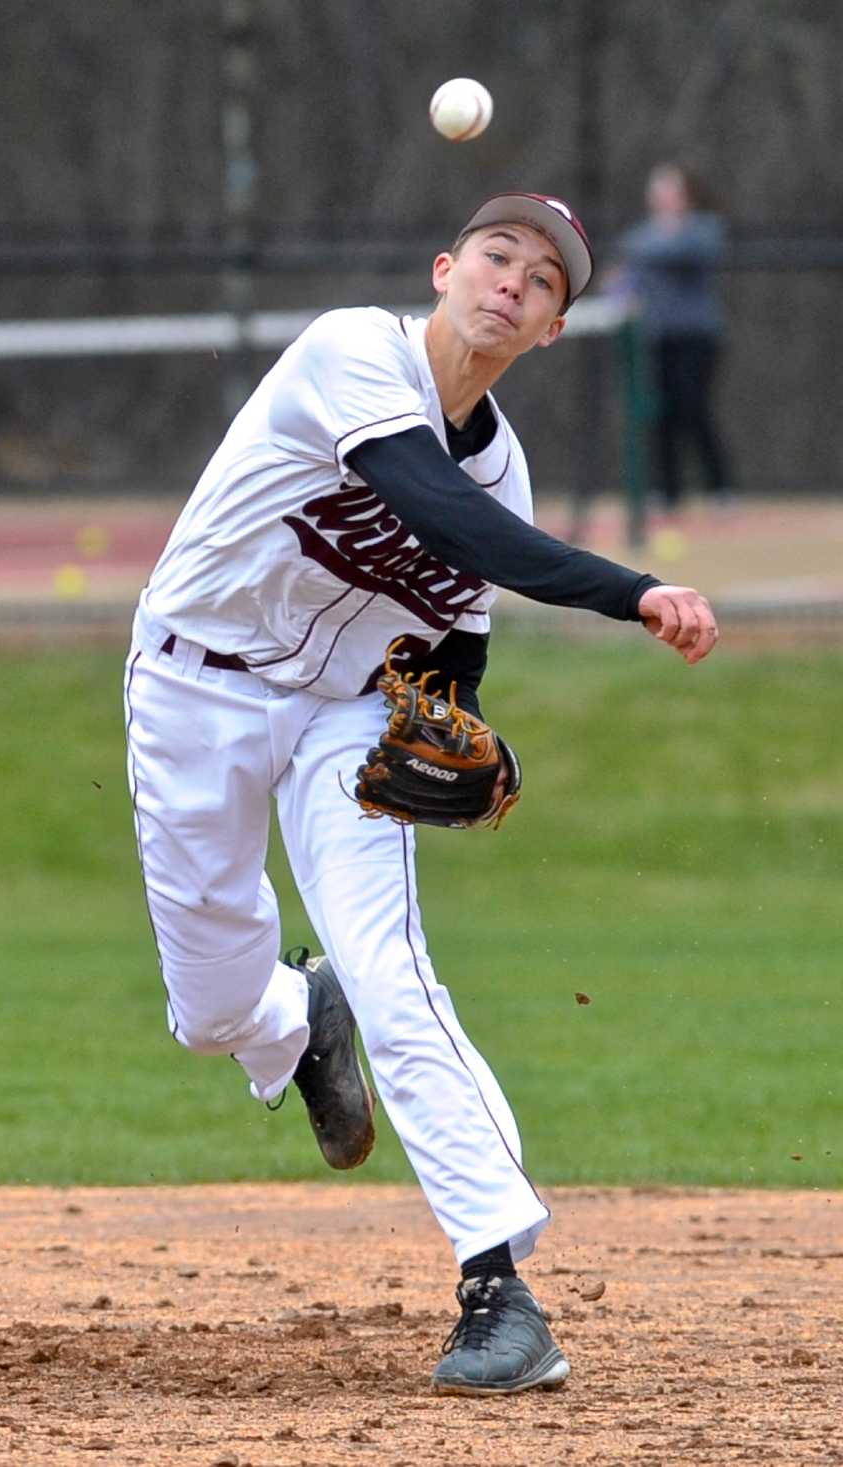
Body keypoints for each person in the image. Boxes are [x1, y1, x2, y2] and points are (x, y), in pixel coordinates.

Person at [123, 193, 718, 1395]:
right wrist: (629, 591)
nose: (512, 283)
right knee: (209, 1010)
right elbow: (442, 514)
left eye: (541, 281)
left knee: (394, 974)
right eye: (497, 257)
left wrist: (461, 734)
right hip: (194, 685)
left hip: (345, 716)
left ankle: (499, 1294)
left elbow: (449, 656)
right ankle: (294, 1023)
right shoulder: (349, 350)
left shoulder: (503, 467)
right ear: (444, 270)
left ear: (550, 329)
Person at [617, 162, 735, 513]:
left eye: (671, 190)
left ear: (685, 195)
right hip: (657, 338)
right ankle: (668, 492)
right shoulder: (642, 235)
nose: (664, 197)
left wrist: (646, 249)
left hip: (697, 337)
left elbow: (682, 251)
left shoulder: (703, 229)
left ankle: (720, 488)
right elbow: (630, 264)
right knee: (660, 413)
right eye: (659, 190)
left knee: (692, 408)